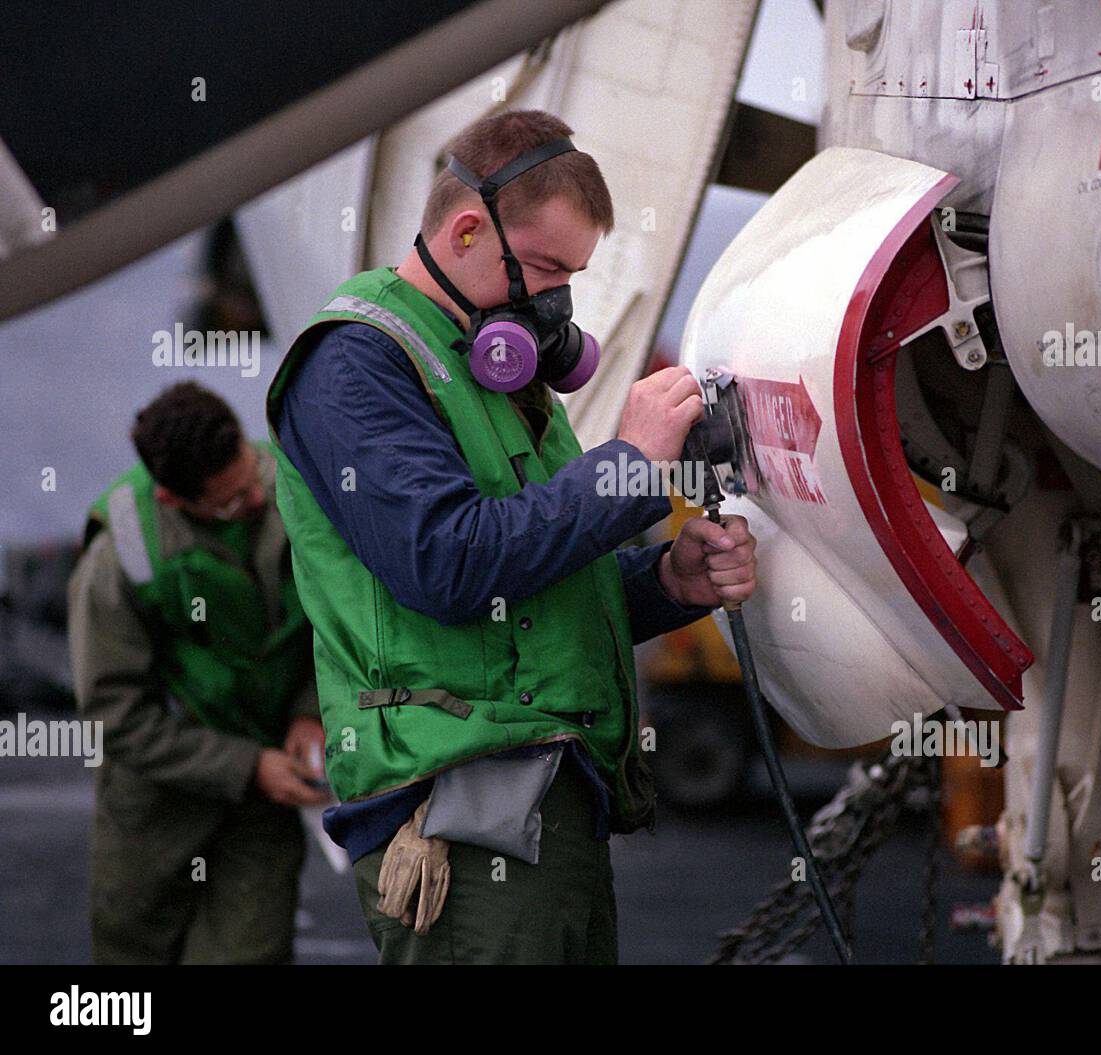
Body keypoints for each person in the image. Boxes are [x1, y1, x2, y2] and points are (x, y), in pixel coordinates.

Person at [265, 109, 758, 964]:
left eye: (571, 275)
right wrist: (628, 465)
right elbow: (448, 563)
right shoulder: (356, 362)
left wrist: (666, 583)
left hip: (542, 800)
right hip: (458, 816)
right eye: (541, 267)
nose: (555, 302)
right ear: (465, 230)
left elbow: (533, 592)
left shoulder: (491, 375)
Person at [67, 381, 327, 964]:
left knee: (251, 952)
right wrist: (243, 765)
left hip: (266, 793)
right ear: (172, 500)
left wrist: (311, 712)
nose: (254, 501)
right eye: (229, 503)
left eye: (250, 477)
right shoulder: (120, 561)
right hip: (157, 797)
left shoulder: (290, 488)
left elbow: (336, 623)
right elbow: (115, 715)